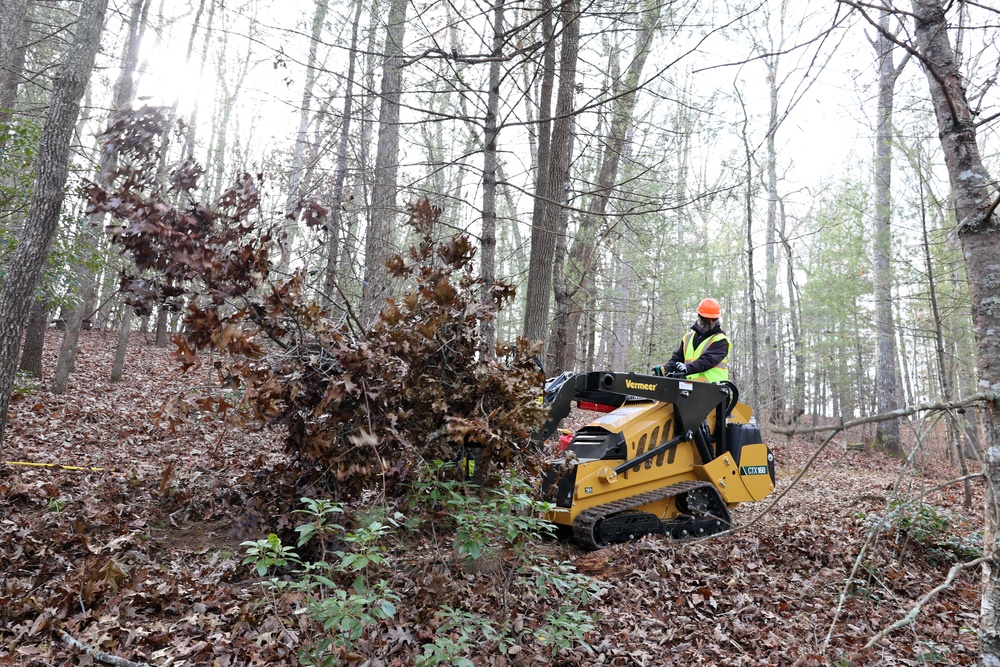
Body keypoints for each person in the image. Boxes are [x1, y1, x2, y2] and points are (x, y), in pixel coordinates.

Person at [652, 298, 731, 382]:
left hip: (713, 389)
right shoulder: (688, 338)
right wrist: (665, 370)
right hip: (691, 387)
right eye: (706, 319)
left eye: (713, 319)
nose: (710, 322)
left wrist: (687, 368)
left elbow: (707, 360)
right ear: (699, 316)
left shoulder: (720, 340)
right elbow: (677, 359)